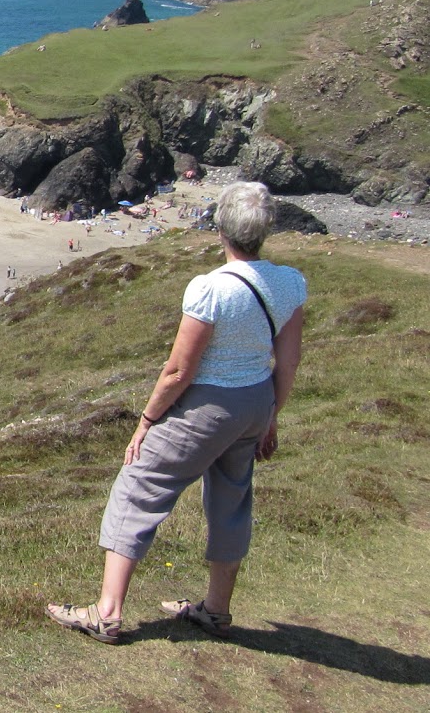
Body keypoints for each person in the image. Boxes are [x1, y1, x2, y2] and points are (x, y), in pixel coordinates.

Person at [47, 182, 306, 644]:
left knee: (139, 484)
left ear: (221, 228)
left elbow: (178, 371)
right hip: (255, 402)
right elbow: (287, 362)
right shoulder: (289, 283)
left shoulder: (210, 289)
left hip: (209, 405)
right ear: (265, 230)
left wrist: (145, 423)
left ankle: (106, 612)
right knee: (231, 500)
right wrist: (270, 416)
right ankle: (216, 611)